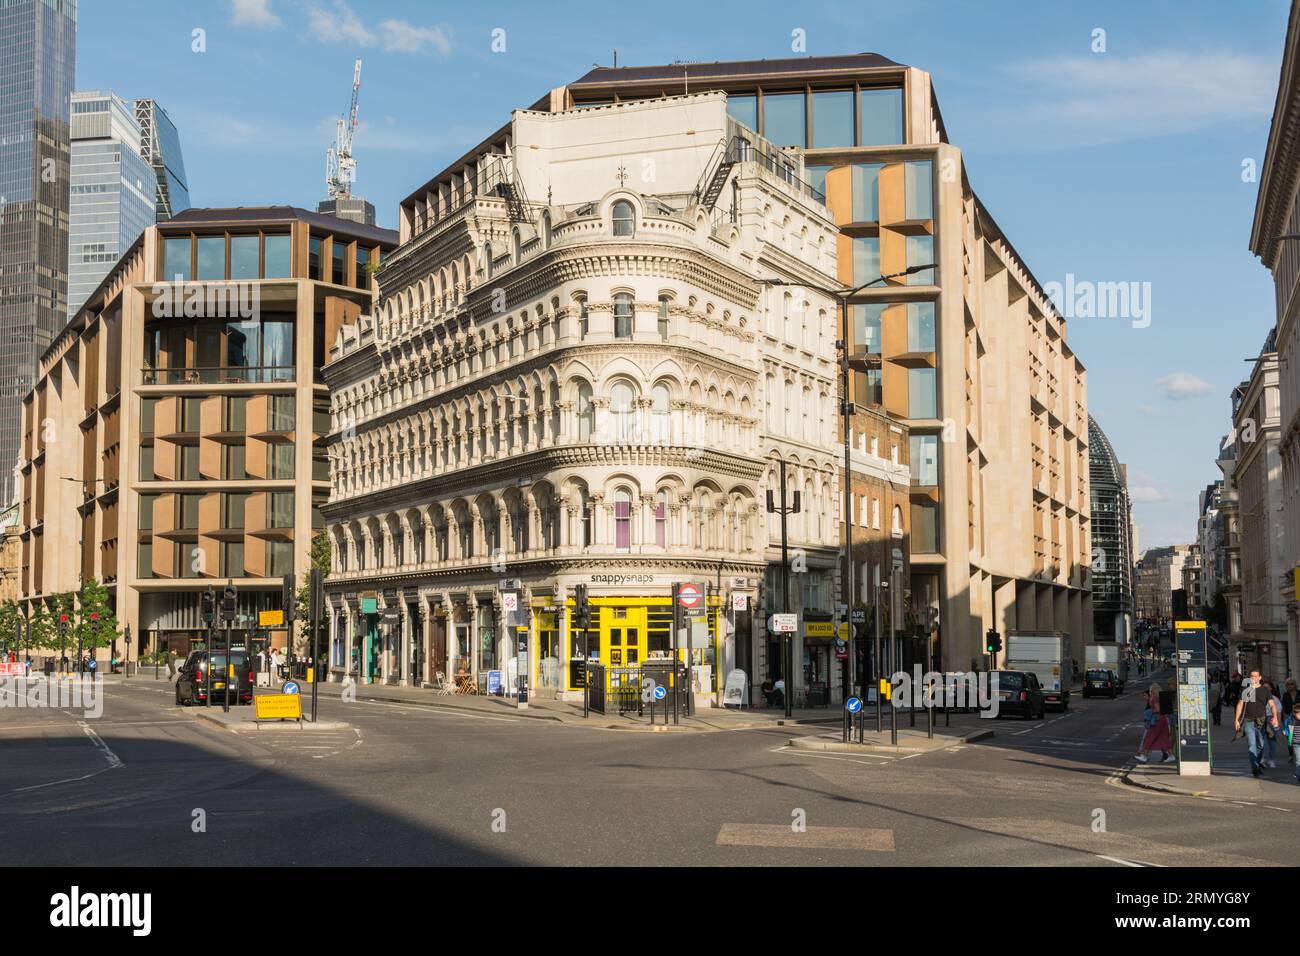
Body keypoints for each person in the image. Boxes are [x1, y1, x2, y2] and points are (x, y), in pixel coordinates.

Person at [1235, 669, 1281, 777]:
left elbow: (1272, 704)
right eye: (1252, 676)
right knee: (1252, 744)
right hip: (1248, 720)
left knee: (1260, 744)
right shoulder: (1246, 690)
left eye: (1256, 676)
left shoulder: (1265, 690)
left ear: (1260, 678)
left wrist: (1275, 717)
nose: (1254, 678)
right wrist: (1236, 719)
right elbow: (1240, 705)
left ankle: (1258, 762)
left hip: (1261, 721)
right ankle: (1254, 766)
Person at [1136, 684, 1174, 764]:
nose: (1150, 691)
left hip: (1157, 720)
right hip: (1163, 719)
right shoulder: (1160, 697)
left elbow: (1158, 709)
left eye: (1150, 690)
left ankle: (1144, 756)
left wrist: (1150, 712)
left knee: (1149, 737)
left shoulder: (1155, 698)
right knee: (1164, 738)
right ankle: (1171, 756)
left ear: (1153, 690)